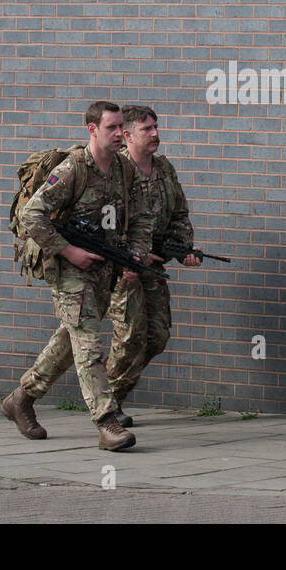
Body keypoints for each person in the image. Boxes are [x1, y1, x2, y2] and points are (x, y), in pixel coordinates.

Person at [0, 101, 153, 451]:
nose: (118, 134)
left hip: (104, 269)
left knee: (69, 342)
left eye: (121, 128)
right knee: (87, 343)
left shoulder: (124, 170)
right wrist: (69, 250)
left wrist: (136, 256)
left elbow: (142, 218)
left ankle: (21, 398)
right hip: (70, 269)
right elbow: (31, 215)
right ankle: (106, 421)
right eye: (112, 128)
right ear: (92, 129)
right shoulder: (74, 168)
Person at [106, 105, 200, 426]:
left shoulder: (164, 168)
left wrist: (182, 248)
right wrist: (129, 256)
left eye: (156, 127)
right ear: (128, 135)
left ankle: (109, 391)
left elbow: (179, 214)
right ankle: (107, 404)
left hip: (154, 265)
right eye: (147, 129)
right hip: (125, 268)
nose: (156, 134)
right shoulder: (116, 171)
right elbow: (107, 223)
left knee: (157, 336)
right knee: (130, 336)